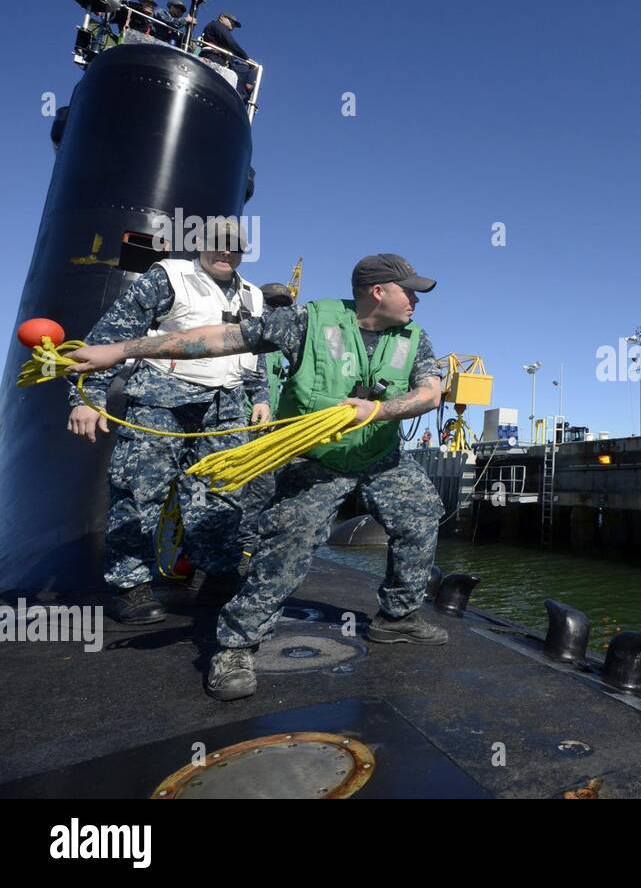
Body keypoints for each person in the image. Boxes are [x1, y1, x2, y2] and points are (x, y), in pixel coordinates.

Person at [70, 253, 448, 702]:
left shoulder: (414, 338)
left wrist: (378, 411)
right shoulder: (305, 321)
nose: (417, 302)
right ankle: (236, 645)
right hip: (315, 457)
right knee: (287, 543)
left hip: (379, 454)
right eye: (411, 292)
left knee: (421, 514)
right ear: (378, 291)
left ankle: (398, 617)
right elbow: (222, 339)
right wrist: (120, 349)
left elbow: (430, 393)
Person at [67, 222, 269, 625]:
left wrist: (260, 395)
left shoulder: (254, 295)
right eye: (217, 246)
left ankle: (217, 576)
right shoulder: (169, 276)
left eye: (235, 248)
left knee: (221, 493)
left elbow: (255, 348)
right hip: (163, 396)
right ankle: (130, 586)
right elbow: (112, 333)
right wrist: (85, 397)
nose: (225, 254)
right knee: (139, 490)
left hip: (224, 405)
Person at [233, 282, 295, 571]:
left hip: (268, 432)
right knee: (232, 492)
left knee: (264, 491)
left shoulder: (281, 350)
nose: (278, 311)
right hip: (239, 426)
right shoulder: (247, 336)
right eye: (272, 305)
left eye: (284, 306)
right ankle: (232, 550)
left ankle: (247, 548)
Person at [200, 12, 254, 99]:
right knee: (229, 77)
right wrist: (246, 58)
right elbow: (230, 42)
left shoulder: (218, 29)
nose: (233, 26)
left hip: (219, 60)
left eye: (235, 24)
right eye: (232, 22)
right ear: (222, 17)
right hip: (212, 57)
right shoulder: (216, 25)